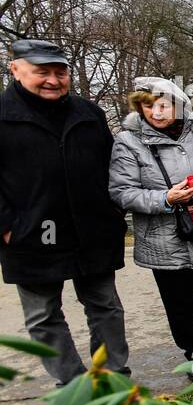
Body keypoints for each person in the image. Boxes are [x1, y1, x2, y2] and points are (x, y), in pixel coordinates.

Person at [0, 39, 130, 385]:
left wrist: (114, 210)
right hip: (31, 233)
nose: (53, 80)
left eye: (60, 72)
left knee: (106, 307)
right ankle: (72, 385)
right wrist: (7, 226)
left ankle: (113, 378)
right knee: (43, 315)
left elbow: (113, 167)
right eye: (42, 72)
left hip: (92, 229)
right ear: (15, 69)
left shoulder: (89, 113)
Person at [108, 78, 193, 379]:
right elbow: (121, 192)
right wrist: (165, 198)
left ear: (179, 104)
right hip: (163, 240)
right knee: (179, 305)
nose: (156, 113)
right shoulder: (128, 141)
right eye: (147, 106)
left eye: (163, 105)